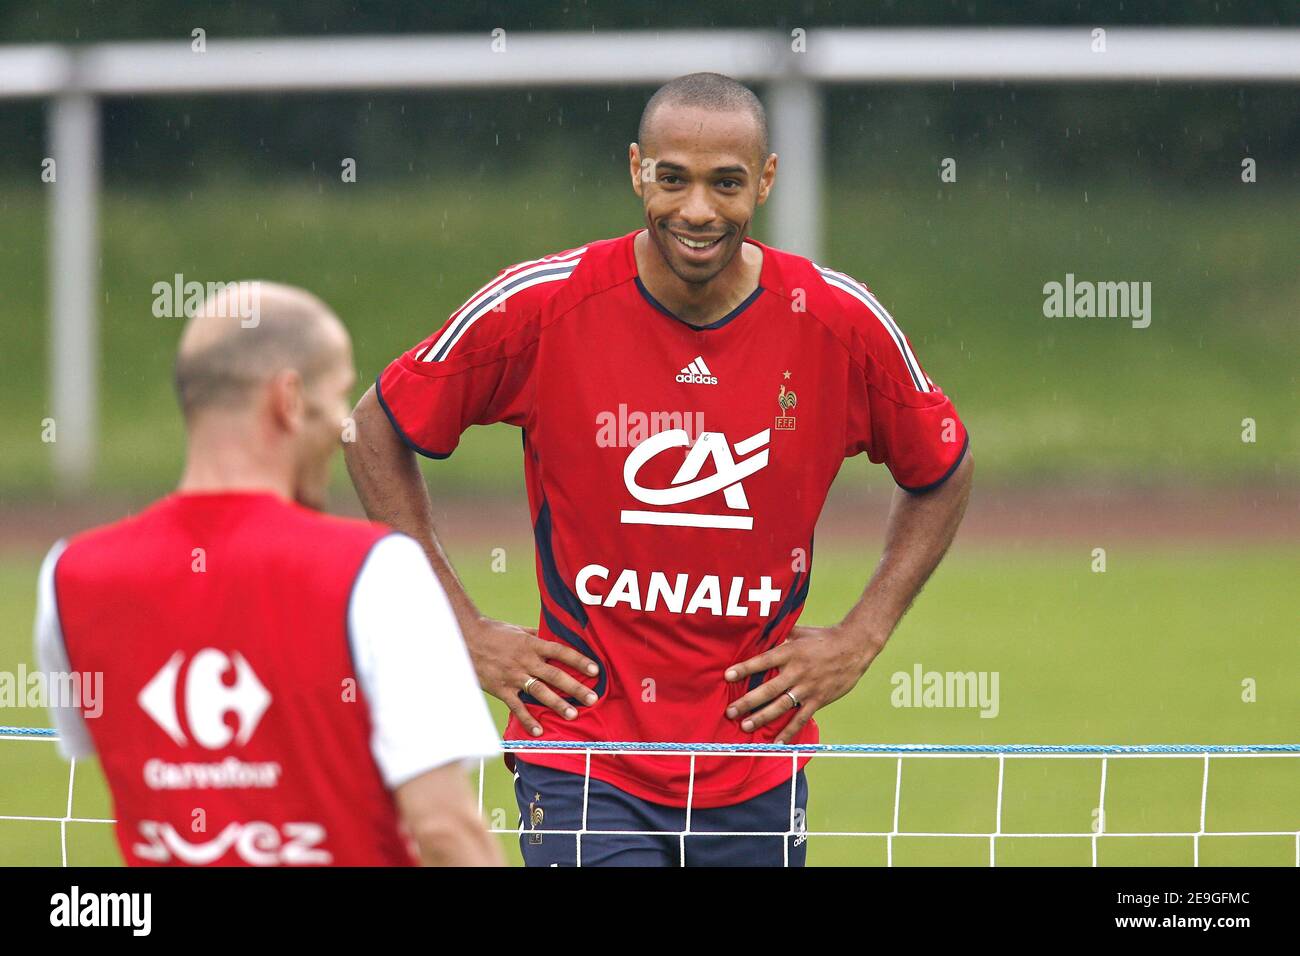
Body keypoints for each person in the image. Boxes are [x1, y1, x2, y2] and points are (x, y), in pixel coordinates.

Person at [345, 73, 973, 866]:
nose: (698, 210)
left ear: (767, 181)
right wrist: (460, 631)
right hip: (583, 754)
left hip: (755, 762)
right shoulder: (548, 304)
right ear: (637, 169)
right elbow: (371, 427)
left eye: (726, 183)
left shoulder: (836, 320)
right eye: (672, 178)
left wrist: (864, 634)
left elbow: (944, 464)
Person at [35, 281, 502, 866]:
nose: (342, 426)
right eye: (335, 398)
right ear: (287, 399)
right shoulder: (378, 571)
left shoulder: (68, 579)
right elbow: (445, 830)